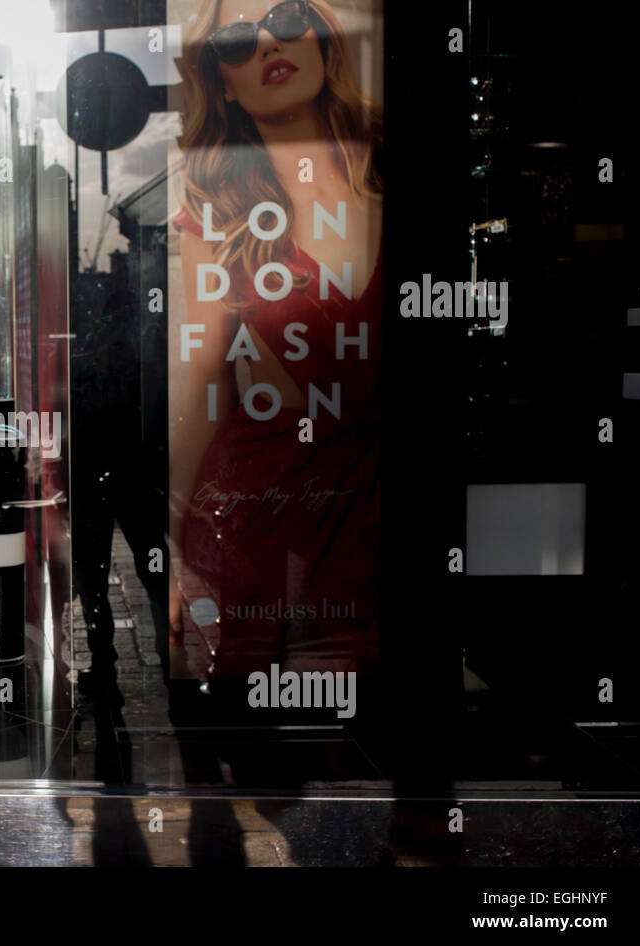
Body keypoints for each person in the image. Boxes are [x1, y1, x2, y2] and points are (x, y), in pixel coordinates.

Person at [169, 0, 383, 684]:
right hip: (261, 515)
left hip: (381, 506)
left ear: (323, 41)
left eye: (286, 18)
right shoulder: (216, 216)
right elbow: (200, 376)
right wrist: (176, 544)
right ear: (224, 83)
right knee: (271, 769)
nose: (266, 42)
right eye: (236, 40)